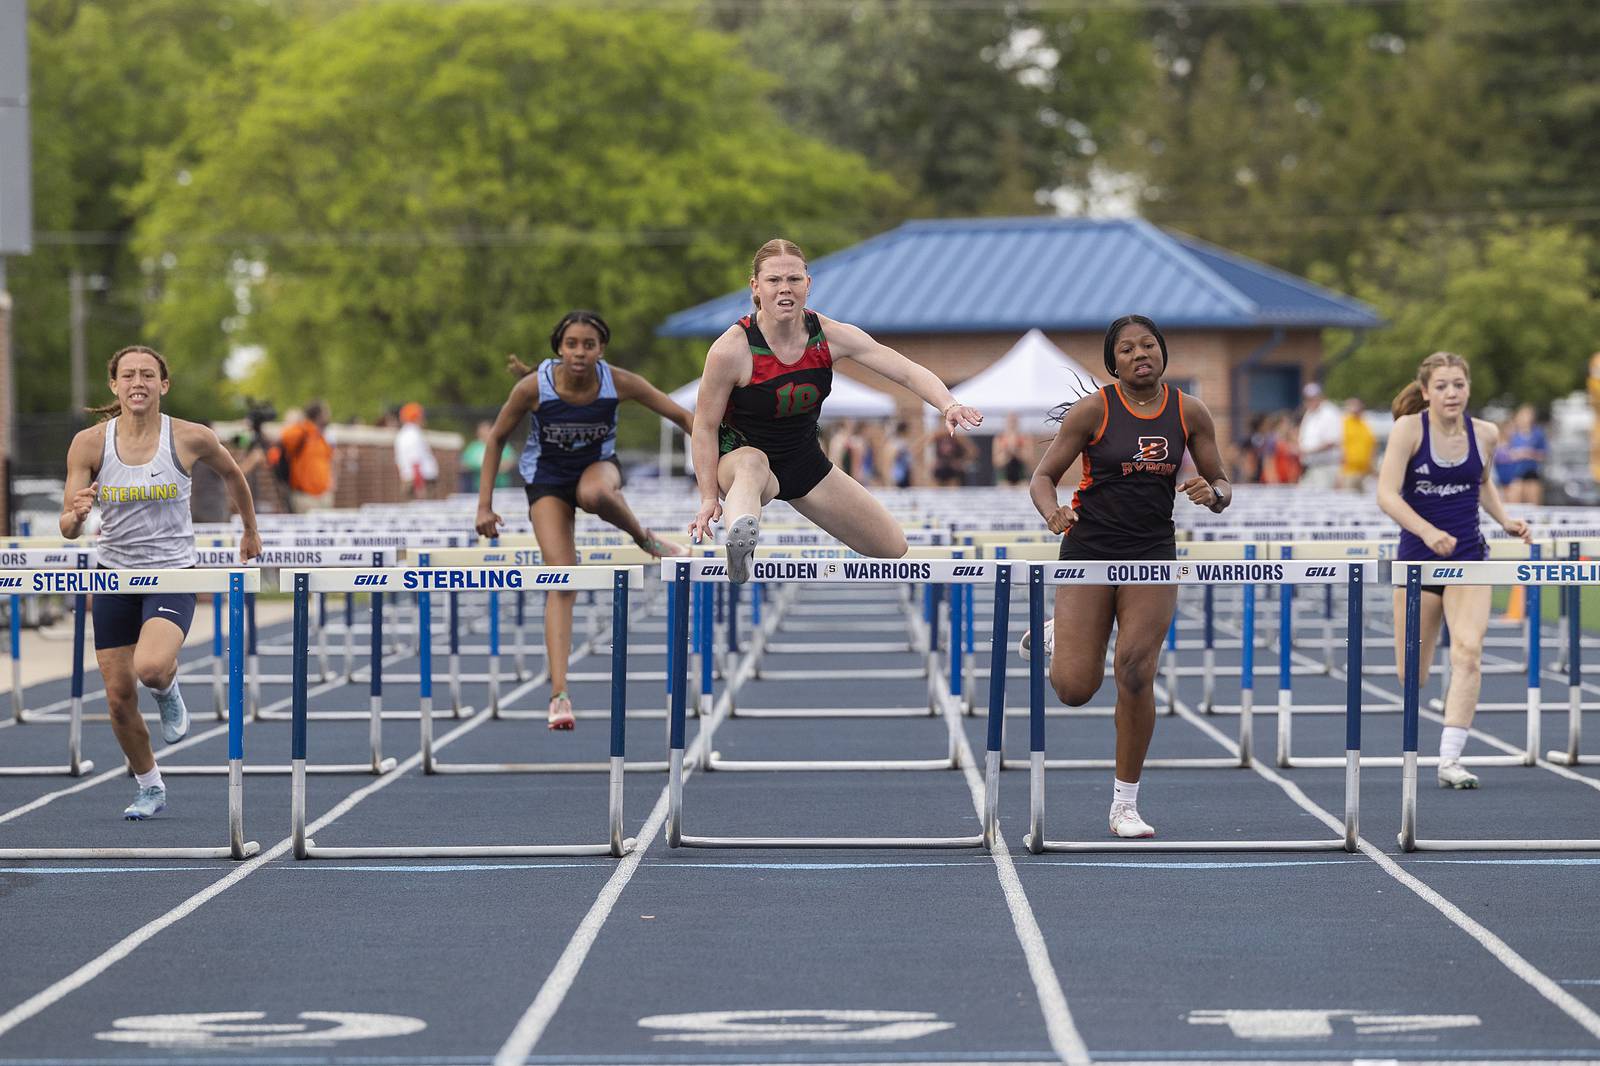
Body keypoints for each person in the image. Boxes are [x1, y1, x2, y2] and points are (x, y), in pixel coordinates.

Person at [1020, 315, 1232, 839]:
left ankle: (1125, 805)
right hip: (1090, 550)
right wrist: (1053, 514)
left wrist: (1214, 495)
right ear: (1112, 362)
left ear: (1163, 352)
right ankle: (1058, 633)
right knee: (1074, 688)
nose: (1141, 354)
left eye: (1150, 345)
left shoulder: (1190, 412)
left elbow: (1222, 482)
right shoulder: (1094, 410)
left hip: (1152, 554)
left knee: (1136, 671)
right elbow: (1043, 477)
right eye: (1129, 349)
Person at [687, 238, 982, 580]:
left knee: (892, 546)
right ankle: (739, 546)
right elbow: (704, 427)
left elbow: (904, 369)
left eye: (794, 279)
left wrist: (949, 403)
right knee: (754, 463)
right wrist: (709, 497)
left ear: (808, 285)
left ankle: (742, 533)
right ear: (756, 287)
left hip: (804, 461)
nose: (785, 289)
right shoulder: (730, 350)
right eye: (774, 280)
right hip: (741, 463)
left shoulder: (830, 335)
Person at [59, 345, 262, 820]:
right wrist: (77, 515)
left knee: (150, 668)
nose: (137, 382)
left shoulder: (190, 437)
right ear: (114, 385)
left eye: (147, 375)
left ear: (162, 385)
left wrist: (250, 530)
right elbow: (67, 527)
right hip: (114, 576)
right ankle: (149, 785)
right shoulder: (89, 444)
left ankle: (168, 689)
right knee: (117, 696)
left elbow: (234, 474)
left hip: (172, 571)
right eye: (128, 375)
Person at [477, 311, 693, 729]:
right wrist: (483, 506)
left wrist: (714, 467)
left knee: (592, 494)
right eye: (572, 344)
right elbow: (497, 439)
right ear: (559, 347)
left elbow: (684, 417)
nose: (579, 352)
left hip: (598, 469)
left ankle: (644, 538)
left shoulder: (618, 381)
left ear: (601, 350)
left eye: (588, 345)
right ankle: (559, 695)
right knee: (562, 579)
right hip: (547, 482)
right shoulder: (532, 388)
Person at [1377, 351, 1531, 789]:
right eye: (1441, 386)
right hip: (1418, 562)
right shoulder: (1408, 429)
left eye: (1458, 385)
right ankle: (1438, 704)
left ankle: (1449, 759)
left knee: (1468, 652)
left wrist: (1505, 520)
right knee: (1413, 675)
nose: (1451, 393)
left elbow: (1483, 483)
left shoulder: (1485, 433)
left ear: (1468, 388)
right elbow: (1387, 495)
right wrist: (1427, 533)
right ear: (1426, 391)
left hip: (1468, 559)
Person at [278, 400, 336, 512]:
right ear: (318, 415)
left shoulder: (321, 435)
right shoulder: (302, 432)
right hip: (305, 497)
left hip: (324, 495)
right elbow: (285, 437)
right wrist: (303, 424)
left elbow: (328, 460)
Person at [1297, 383, 1342, 489]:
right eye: (1307, 399)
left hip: (1326, 466)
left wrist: (1307, 451)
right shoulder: (1309, 413)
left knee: (1322, 499)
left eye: (1313, 398)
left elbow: (1331, 442)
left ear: (1320, 397)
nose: (1310, 401)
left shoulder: (1329, 413)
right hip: (1310, 466)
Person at [1502, 404, 1547, 505]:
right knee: (1514, 504)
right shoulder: (1512, 433)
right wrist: (1518, 454)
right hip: (1514, 474)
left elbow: (1543, 455)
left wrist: (1529, 454)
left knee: (1533, 504)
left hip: (1531, 474)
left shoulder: (1538, 434)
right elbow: (1504, 453)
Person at [393, 402, 438, 500]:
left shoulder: (404, 434)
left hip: (414, 480)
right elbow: (415, 461)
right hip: (420, 481)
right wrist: (420, 487)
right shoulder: (413, 435)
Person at [461, 420, 516, 493]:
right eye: (481, 431)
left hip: (501, 487)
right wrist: (491, 467)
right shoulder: (473, 447)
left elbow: (508, 463)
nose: (483, 433)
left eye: (486, 430)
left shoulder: (502, 445)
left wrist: (483, 467)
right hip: (478, 488)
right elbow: (464, 465)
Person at [1339, 396, 1377, 492]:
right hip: (1348, 471)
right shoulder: (1343, 423)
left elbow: (1372, 447)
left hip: (1365, 472)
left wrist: (1373, 468)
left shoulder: (1365, 425)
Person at [992, 413, 1031, 486]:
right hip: (1005, 476)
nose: (1012, 424)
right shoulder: (999, 438)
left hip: (1020, 476)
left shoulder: (1024, 438)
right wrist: (1008, 451)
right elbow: (997, 463)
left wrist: (1016, 450)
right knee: (1004, 487)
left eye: (1014, 421)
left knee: (1023, 486)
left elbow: (1029, 460)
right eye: (1010, 421)